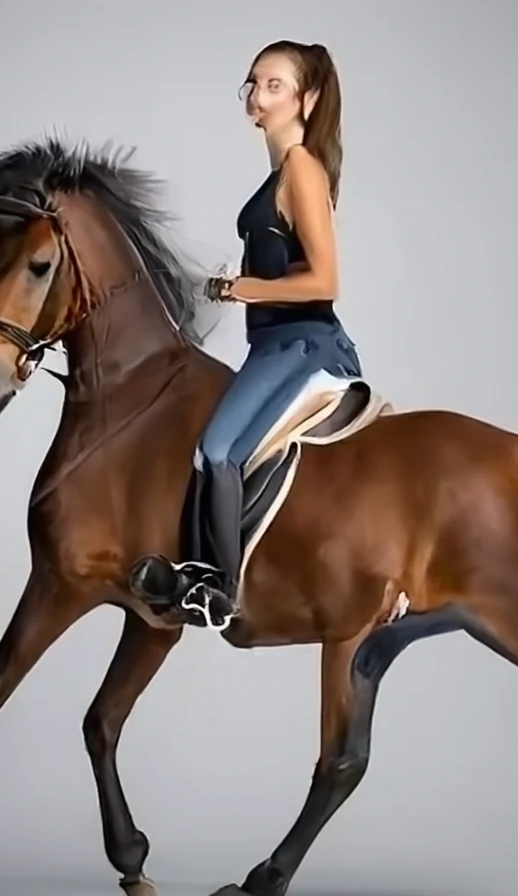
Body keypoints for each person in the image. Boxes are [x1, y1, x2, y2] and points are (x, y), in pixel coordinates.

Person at [152, 40, 363, 627]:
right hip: (271, 345)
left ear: (309, 99)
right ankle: (195, 573)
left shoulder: (301, 167)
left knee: (219, 450)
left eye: (274, 85)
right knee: (205, 450)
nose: (257, 95)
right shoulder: (279, 173)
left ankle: (220, 588)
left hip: (308, 345)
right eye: (252, 83)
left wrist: (243, 288)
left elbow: (326, 279)